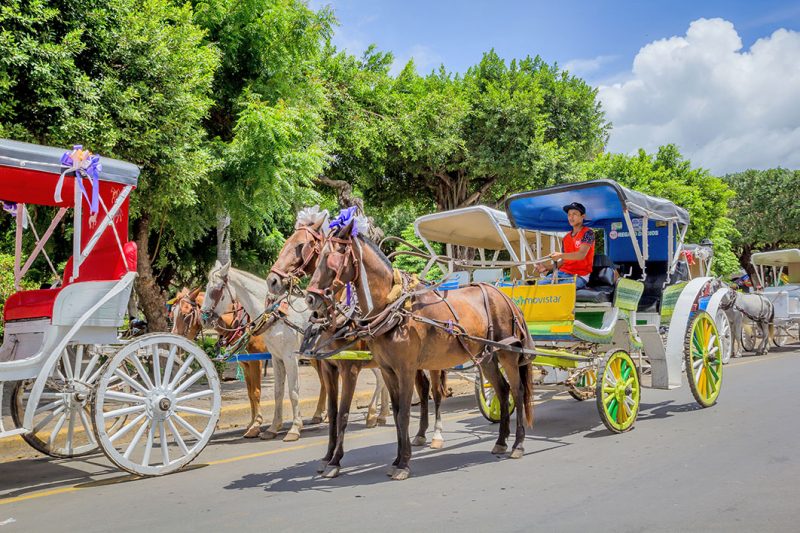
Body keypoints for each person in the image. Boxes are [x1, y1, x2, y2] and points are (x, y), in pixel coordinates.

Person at [535, 202, 595, 289]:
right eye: (569, 214)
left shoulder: (588, 233)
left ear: (583, 216)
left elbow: (581, 255)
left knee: (560, 290)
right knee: (538, 287)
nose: (571, 217)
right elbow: (563, 261)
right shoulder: (566, 238)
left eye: (574, 214)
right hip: (562, 273)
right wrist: (546, 267)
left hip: (580, 276)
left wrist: (559, 255)